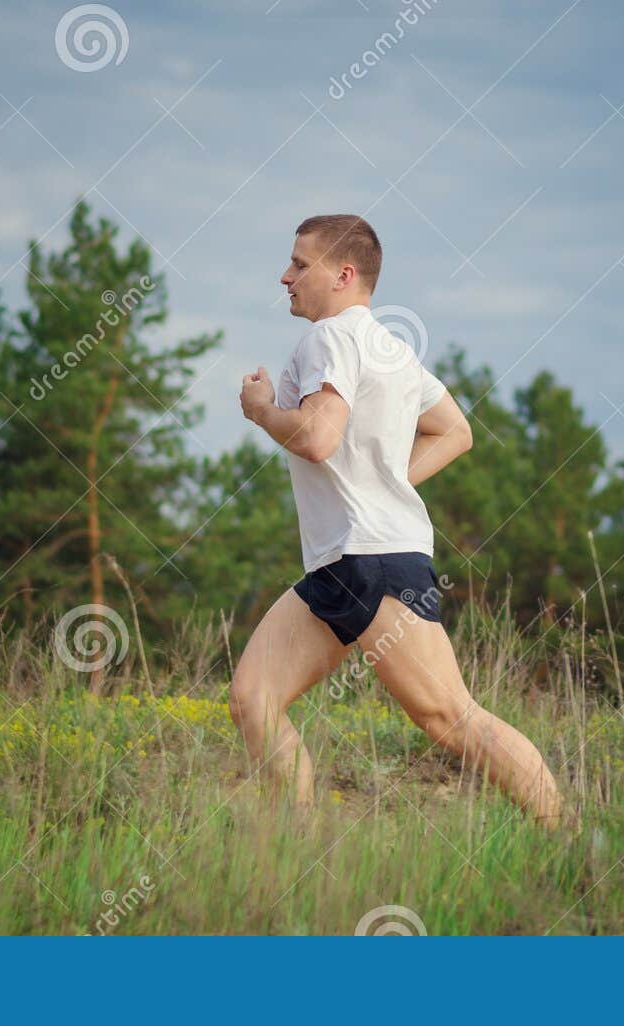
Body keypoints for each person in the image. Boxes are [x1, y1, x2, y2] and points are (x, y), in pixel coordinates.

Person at [230, 214, 565, 828]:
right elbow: (455, 431)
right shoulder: (391, 349)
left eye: (300, 264)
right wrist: (383, 483)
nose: (285, 277)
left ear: (343, 275)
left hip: (372, 561)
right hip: (342, 564)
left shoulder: (327, 338)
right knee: (255, 698)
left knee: (449, 717)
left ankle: (571, 842)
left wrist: (261, 412)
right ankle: (292, 854)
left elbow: (316, 438)